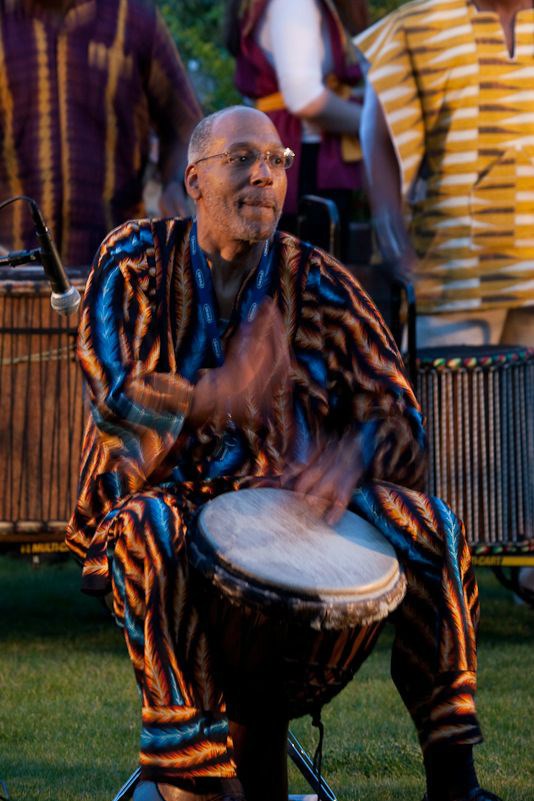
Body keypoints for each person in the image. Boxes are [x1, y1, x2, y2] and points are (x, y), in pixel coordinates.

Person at [67, 105, 503, 801]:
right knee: (147, 531)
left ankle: (455, 779)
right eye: (242, 159)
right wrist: (218, 391)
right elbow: (112, 394)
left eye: (277, 162)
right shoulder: (134, 260)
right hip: (166, 503)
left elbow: (401, 419)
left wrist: (356, 453)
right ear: (194, 182)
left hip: (294, 508)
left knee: (433, 526)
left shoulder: (320, 283)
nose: (264, 175)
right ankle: (197, 778)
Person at [356, 0, 534, 349]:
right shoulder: (419, 25)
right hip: (451, 282)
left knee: (525, 404)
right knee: (454, 404)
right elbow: (376, 137)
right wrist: (397, 248)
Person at [0, 0, 202, 268]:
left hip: (116, 268)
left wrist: (176, 184)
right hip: (9, 267)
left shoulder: (134, 19)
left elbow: (185, 126)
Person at [225, 0, 368, 258]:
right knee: (308, 281)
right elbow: (303, 97)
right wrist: (376, 126)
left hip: (299, 158)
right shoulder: (293, 5)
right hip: (303, 164)